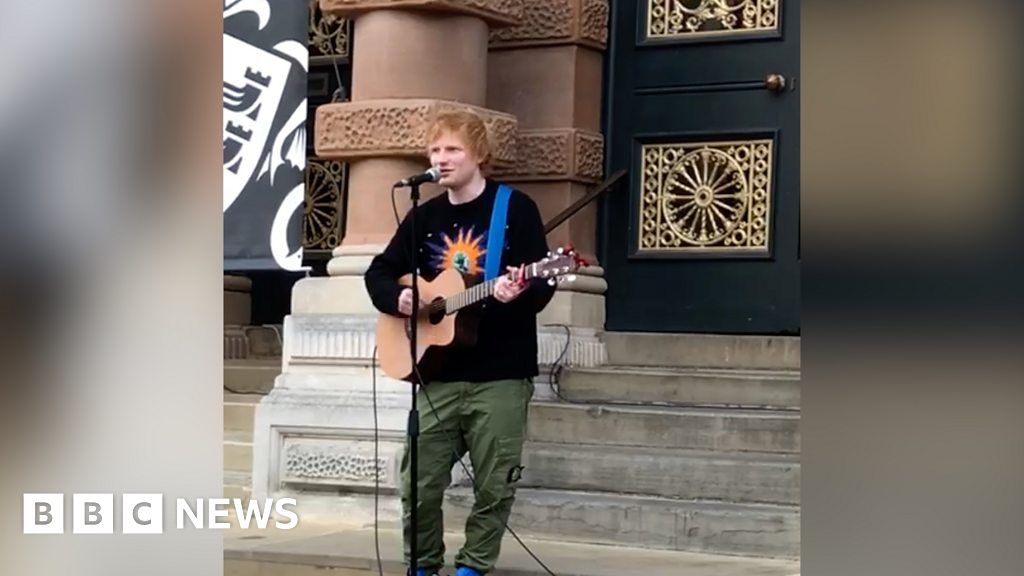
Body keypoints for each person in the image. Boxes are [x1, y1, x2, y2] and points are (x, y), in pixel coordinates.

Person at [364, 110, 556, 576]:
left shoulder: (515, 209)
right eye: (435, 150)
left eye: (452, 149)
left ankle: (473, 566)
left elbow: (542, 284)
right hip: (438, 375)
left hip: (501, 372)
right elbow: (379, 272)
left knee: (495, 482)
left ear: (479, 155)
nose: (441, 159)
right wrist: (399, 298)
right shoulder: (424, 215)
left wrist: (519, 291)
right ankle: (422, 565)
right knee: (418, 481)